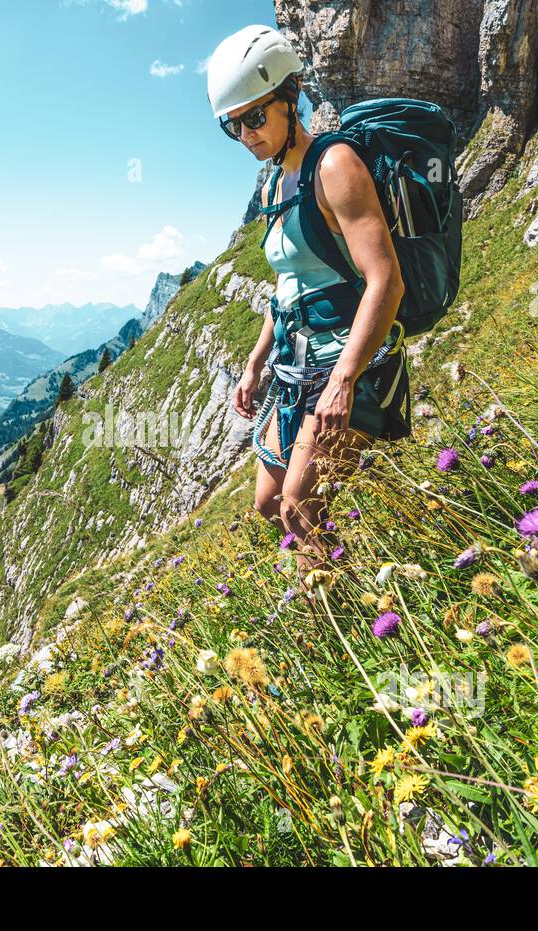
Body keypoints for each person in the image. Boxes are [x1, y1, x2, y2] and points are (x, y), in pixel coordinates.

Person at [207, 24, 412, 572]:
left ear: (291, 96)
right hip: (297, 364)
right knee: (268, 504)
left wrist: (344, 379)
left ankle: (340, 626)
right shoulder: (277, 184)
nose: (247, 134)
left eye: (255, 117)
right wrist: (254, 362)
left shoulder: (334, 165)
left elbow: (386, 279)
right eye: (234, 126)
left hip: (349, 360)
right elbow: (290, 285)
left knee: (299, 506)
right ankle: (353, 576)